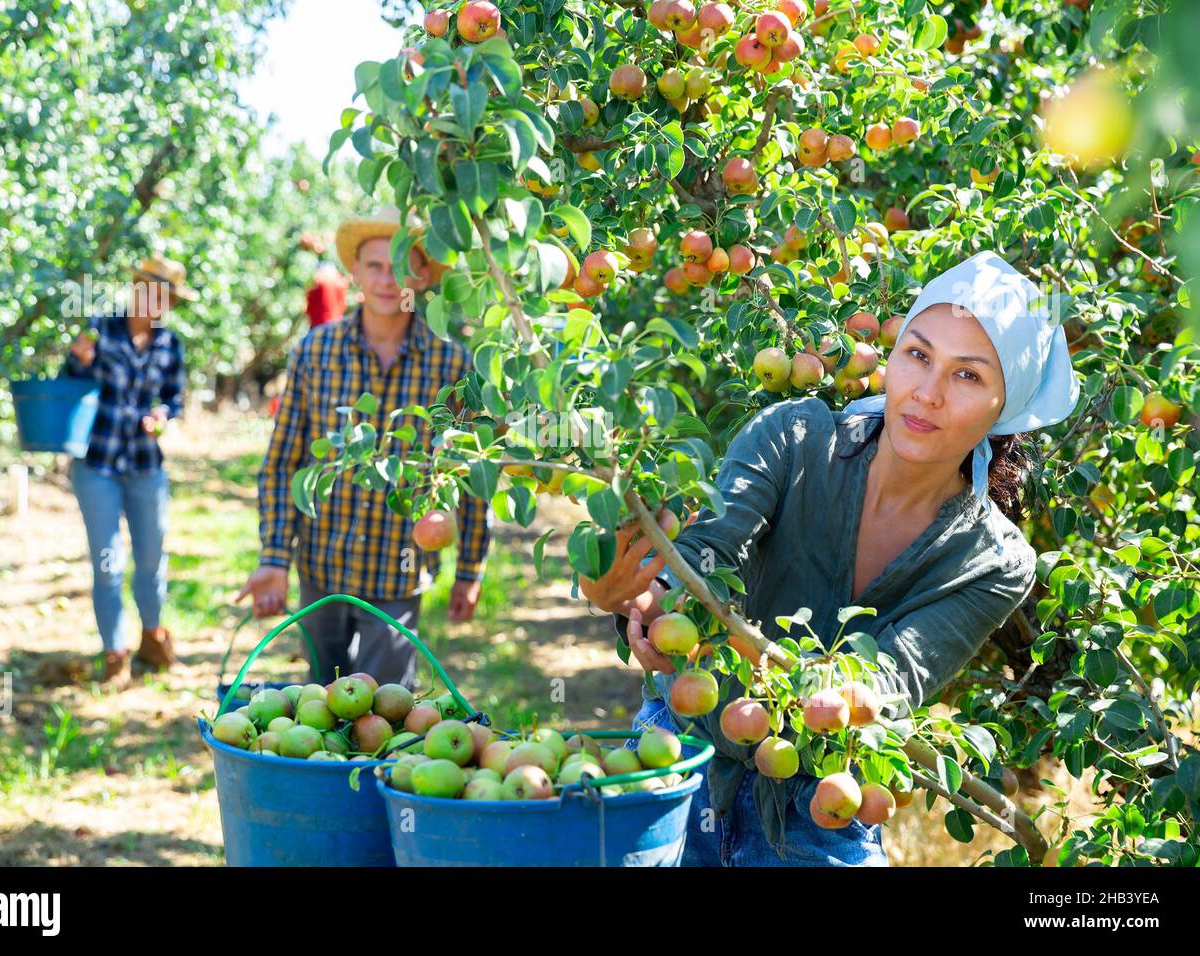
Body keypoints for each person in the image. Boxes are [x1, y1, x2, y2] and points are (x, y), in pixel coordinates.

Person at [580, 250, 1080, 866]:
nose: (926, 393)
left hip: (821, 803)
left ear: (1003, 408)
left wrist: (812, 687)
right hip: (681, 756)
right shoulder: (793, 436)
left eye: (967, 376)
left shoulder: (995, 562)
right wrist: (637, 599)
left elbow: (893, 679)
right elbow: (702, 558)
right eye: (918, 355)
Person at [239, 207, 490, 688]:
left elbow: (469, 472)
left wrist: (470, 568)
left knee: (386, 711)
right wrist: (274, 556)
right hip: (321, 562)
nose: (388, 280)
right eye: (375, 265)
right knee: (324, 703)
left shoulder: (451, 363)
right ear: (354, 273)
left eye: (403, 266)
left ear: (423, 276)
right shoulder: (317, 351)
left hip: (399, 567)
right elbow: (282, 462)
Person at [65, 254, 198, 687]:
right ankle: (114, 654)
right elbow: (68, 381)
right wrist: (79, 361)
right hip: (98, 463)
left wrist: (162, 415)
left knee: (151, 558)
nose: (155, 302)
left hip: (145, 465)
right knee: (107, 562)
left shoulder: (170, 344)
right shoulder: (98, 329)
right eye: (149, 291)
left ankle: (153, 639)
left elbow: (173, 398)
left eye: (164, 297)